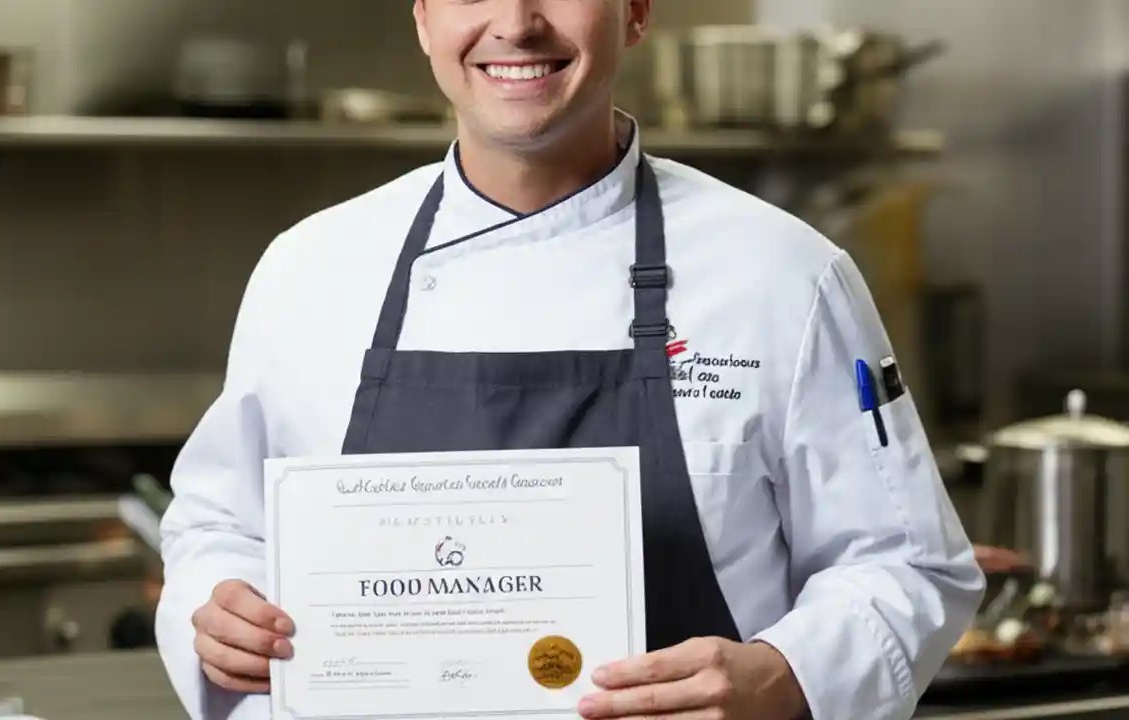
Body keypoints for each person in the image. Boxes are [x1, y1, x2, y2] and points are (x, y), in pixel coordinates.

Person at [155, 1, 986, 719]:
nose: (516, 24)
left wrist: (787, 674)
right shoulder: (309, 270)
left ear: (636, 11)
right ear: (422, 17)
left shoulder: (782, 275)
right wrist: (218, 606)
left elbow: (908, 563)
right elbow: (219, 525)